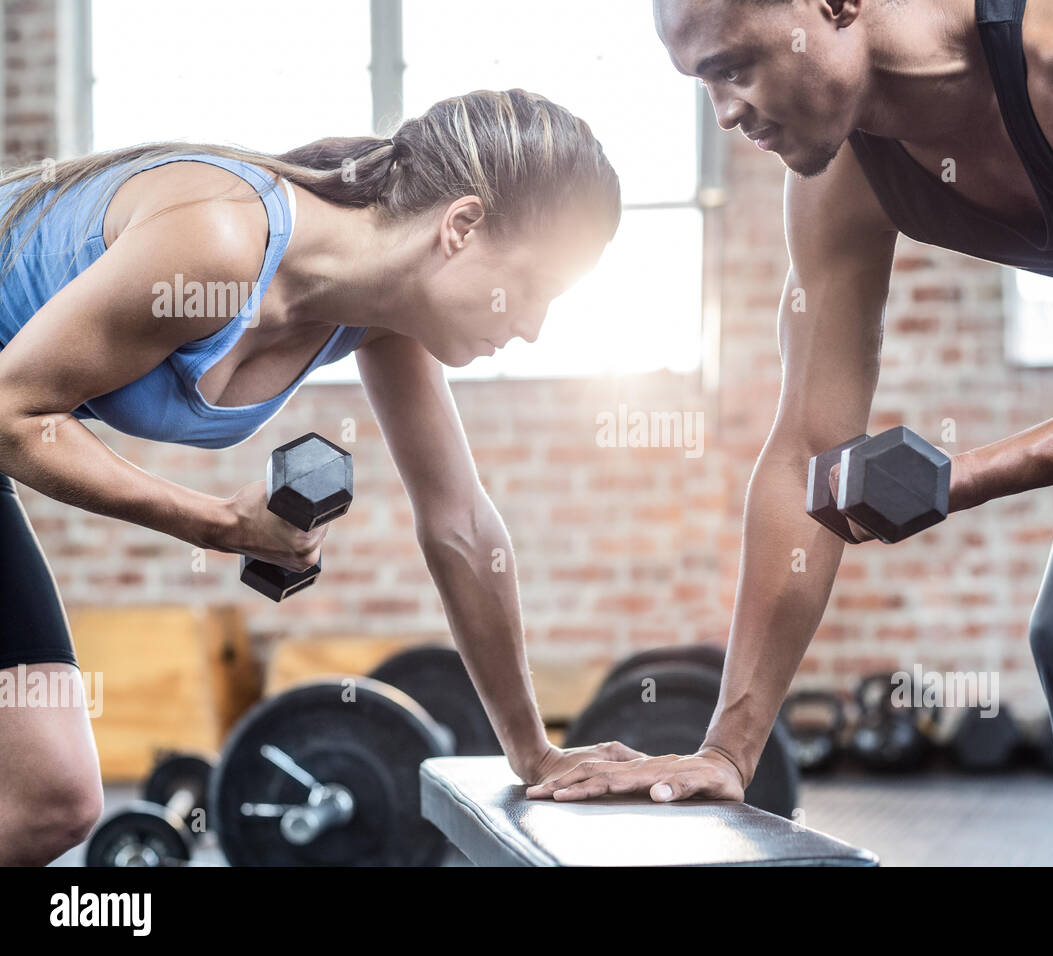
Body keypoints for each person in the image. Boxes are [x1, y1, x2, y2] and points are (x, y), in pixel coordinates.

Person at [525, 0, 1053, 866]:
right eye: (703, 82)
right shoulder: (839, 175)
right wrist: (728, 750)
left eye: (733, 68)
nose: (726, 111)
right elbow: (807, 455)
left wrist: (957, 477)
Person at [0, 88, 644, 865]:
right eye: (533, 290)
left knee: (49, 802)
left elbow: (460, 523)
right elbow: (13, 413)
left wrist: (533, 752)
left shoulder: (379, 313)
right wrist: (219, 525)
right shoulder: (221, 238)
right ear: (462, 226)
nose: (532, 327)